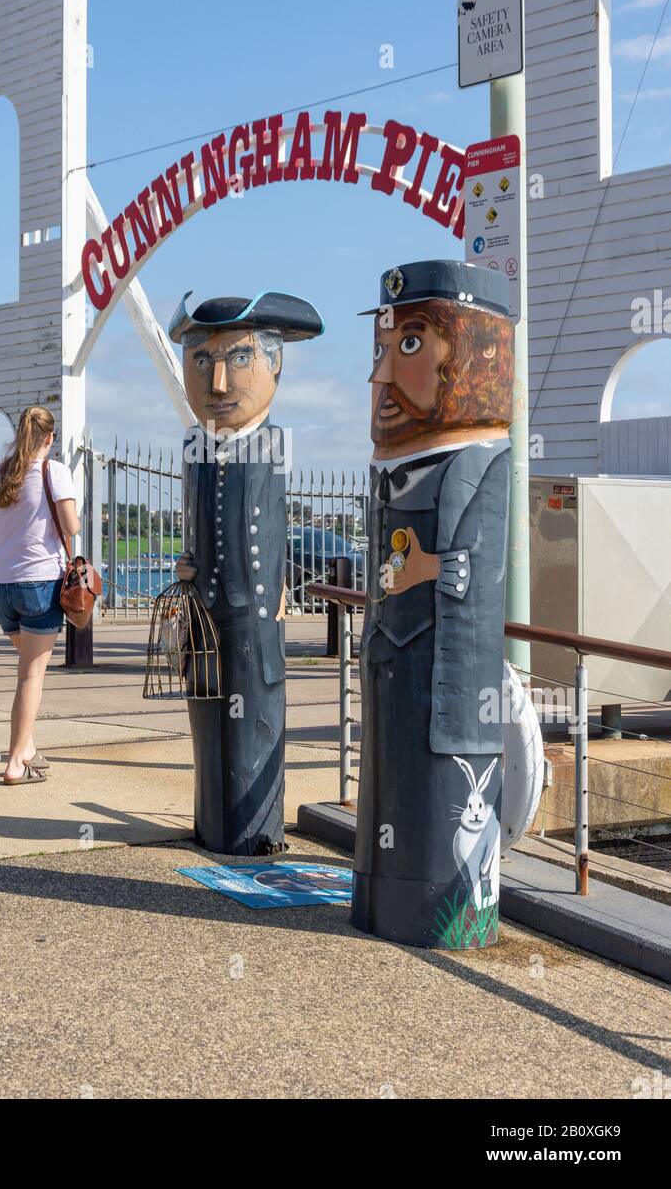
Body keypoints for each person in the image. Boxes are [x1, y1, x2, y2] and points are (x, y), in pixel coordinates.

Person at [351, 260, 513, 949]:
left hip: (445, 682)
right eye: (379, 349)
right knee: (385, 793)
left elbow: (483, 568)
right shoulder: (387, 467)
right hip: (391, 664)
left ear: (473, 353)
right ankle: (377, 901)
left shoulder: (479, 463)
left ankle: (437, 916)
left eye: (409, 345)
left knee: (433, 807)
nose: (379, 376)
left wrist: (429, 568)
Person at [167, 290, 324, 855]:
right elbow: (195, 523)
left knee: (254, 714)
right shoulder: (192, 448)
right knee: (206, 719)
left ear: (274, 364)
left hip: (254, 614)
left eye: (238, 359)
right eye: (201, 361)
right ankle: (213, 822)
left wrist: (272, 590)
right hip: (201, 611)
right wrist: (188, 564)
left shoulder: (269, 445)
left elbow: (266, 532)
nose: (218, 385)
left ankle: (254, 831)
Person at [0, 406, 80, 785]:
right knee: (31, 675)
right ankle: (16, 761)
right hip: (39, 582)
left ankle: (29, 744)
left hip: (2, 584)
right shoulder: (55, 472)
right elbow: (70, 527)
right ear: (49, 438)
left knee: (27, 668)